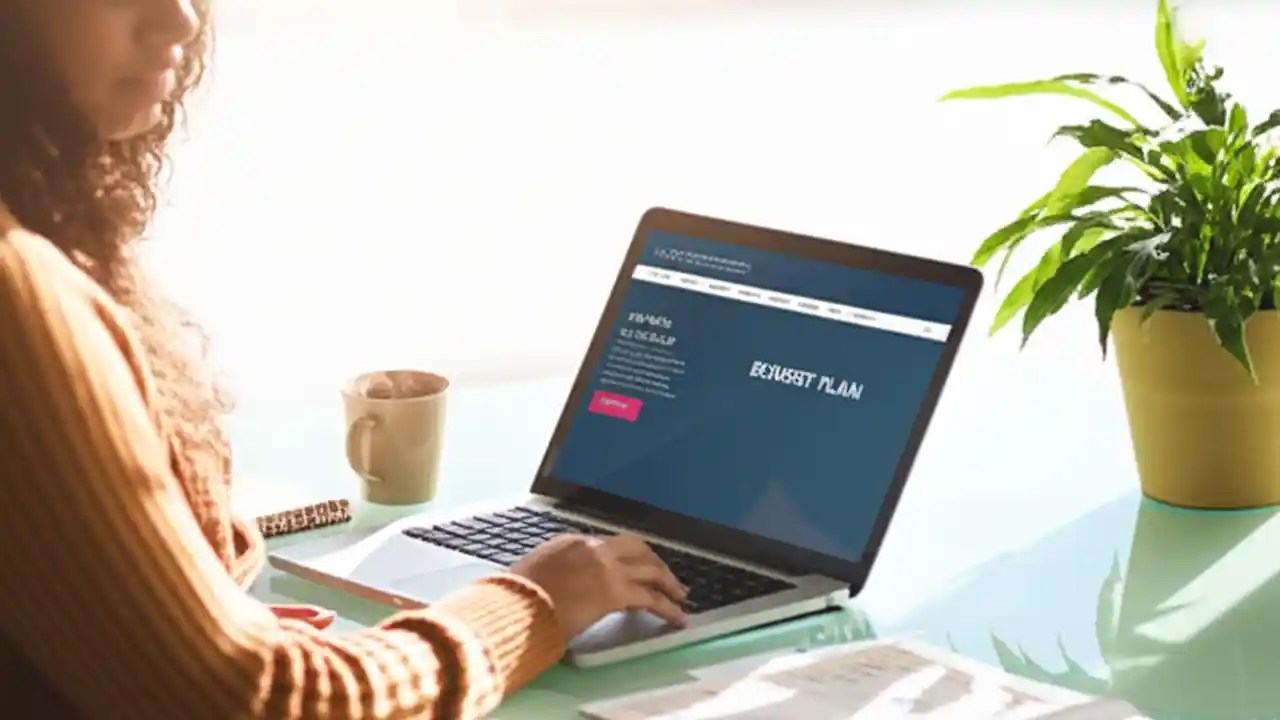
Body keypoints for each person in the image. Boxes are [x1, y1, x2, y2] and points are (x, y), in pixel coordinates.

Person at [0, 1, 689, 717]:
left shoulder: (47, 225)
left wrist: (194, 623)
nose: (178, 21)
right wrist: (538, 601)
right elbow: (266, 702)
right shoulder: (17, 288)